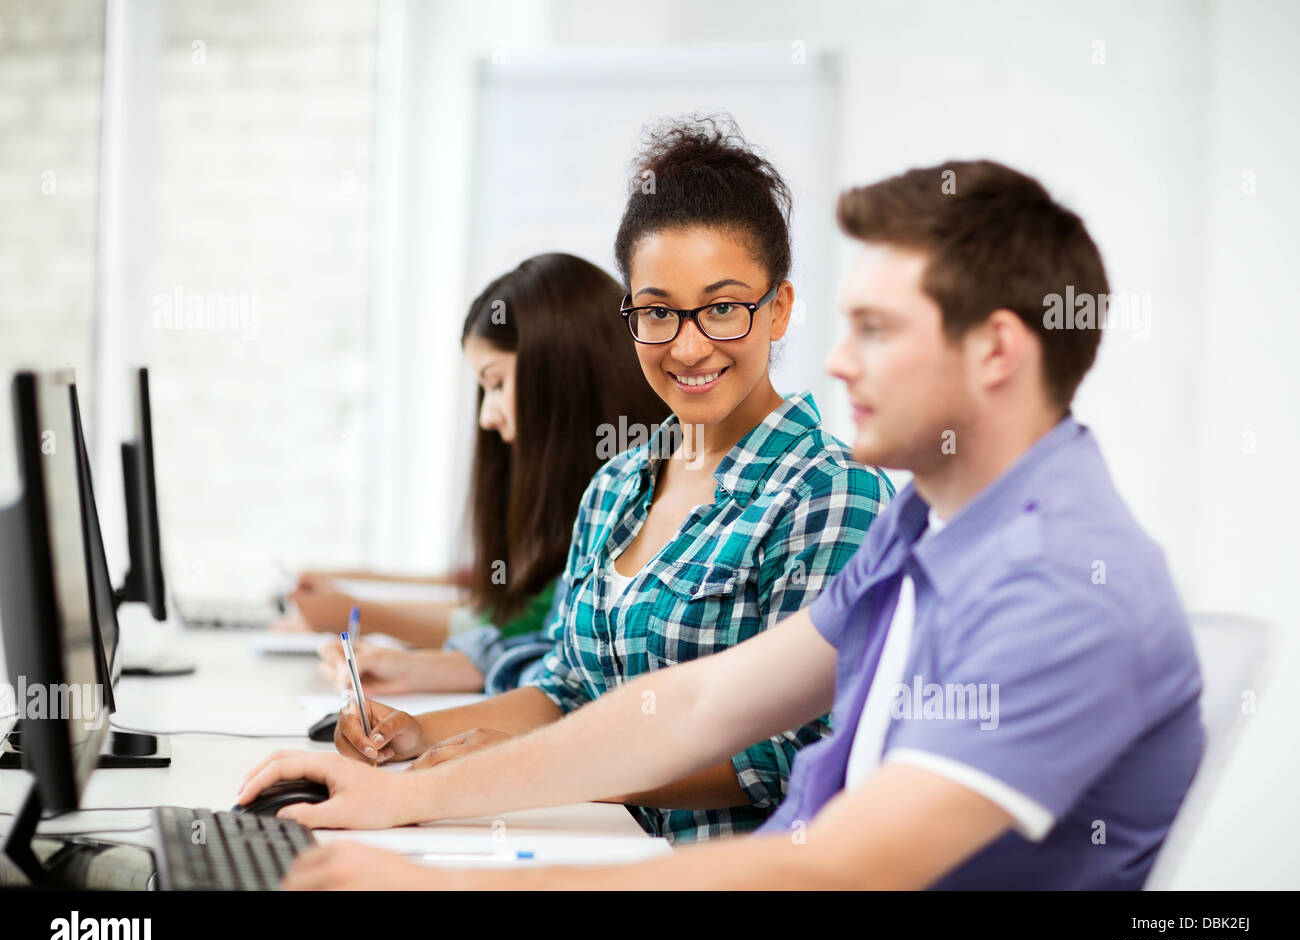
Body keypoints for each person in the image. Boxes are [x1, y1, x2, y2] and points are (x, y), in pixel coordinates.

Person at [240, 158, 1205, 890]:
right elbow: (699, 707)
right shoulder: (928, 522)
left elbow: (833, 869)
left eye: (875, 328)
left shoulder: (1056, 581)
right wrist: (404, 795)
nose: (836, 361)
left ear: (997, 350)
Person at [249, 114, 894, 841]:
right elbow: (565, 689)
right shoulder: (618, 486)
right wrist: (416, 734)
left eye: (722, 308)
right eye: (657, 311)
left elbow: (789, 757)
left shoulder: (832, 495)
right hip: (593, 843)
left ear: (778, 310)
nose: (687, 344)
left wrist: (530, 770)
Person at [313, 253, 667, 692]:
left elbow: (533, 646)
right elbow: (538, 647)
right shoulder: (586, 496)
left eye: (496, 384)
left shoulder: (643, 496)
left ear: (559, 376)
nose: (487, 417)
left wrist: (360, 611)